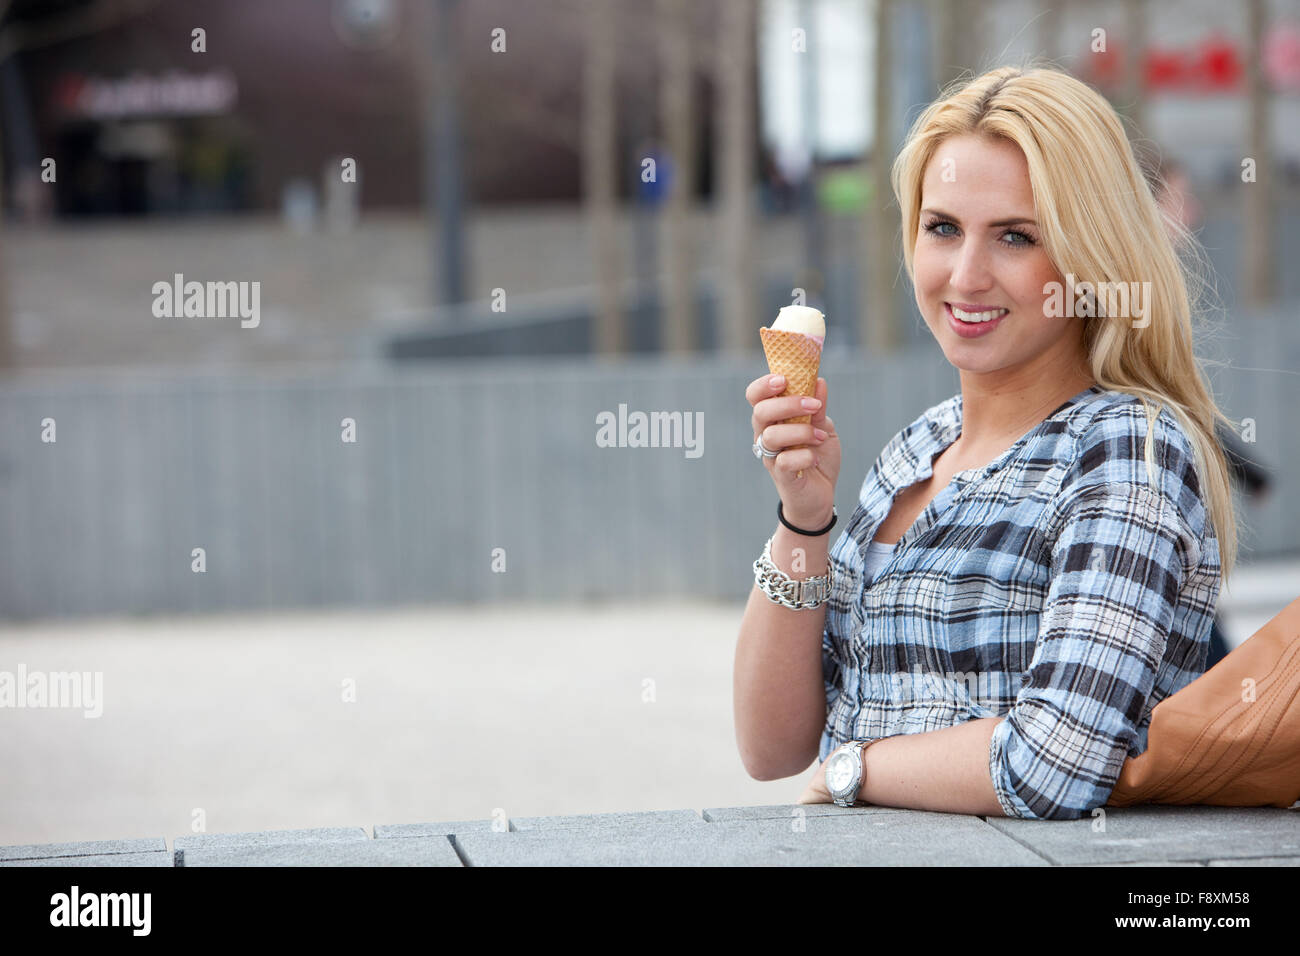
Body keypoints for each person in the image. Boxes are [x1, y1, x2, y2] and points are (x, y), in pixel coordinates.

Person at [734, 65, 1240, 820]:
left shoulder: (1129, 451)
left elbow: (1055, 764)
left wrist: (853, 767)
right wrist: (803, 517)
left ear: (1087, 254)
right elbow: (771, 748)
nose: (966, 276)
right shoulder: (914, 451)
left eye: (1015, 237)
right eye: (942, 228)